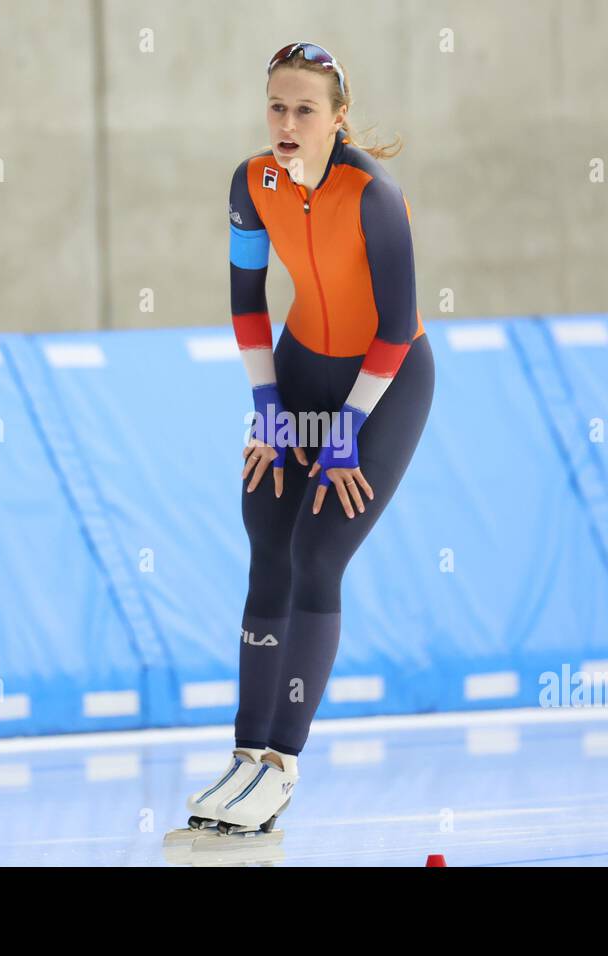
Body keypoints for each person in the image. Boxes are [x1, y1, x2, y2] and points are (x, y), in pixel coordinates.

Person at [186, 41, 435, 835]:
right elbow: (247, 303)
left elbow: (395, 329)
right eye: (276, 108)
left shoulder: (374, 193)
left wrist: (346, 432)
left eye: (304, 110)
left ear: (337, 119)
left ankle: (284, 762)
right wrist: (268, 407)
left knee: (318, 553)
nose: (287, 124)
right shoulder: (251, 182)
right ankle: (246, 751)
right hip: (296, 371)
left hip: (384, 383)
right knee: (266, 538)